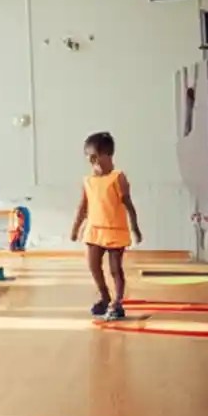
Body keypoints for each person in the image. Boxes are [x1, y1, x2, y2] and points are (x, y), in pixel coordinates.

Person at [70, 132, 142, 321]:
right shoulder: (88, 181)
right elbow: (83, 206)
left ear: (108, 155)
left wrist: (135, 227)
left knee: (115, 269)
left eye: (95, 157)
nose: (92, 162)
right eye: (89, 158)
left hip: (115, 231)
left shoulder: (118, 177)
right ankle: (104, 297)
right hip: (94, 231)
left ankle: (117, 303)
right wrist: (76, 227)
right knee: (93, 266)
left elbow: (128, 203)